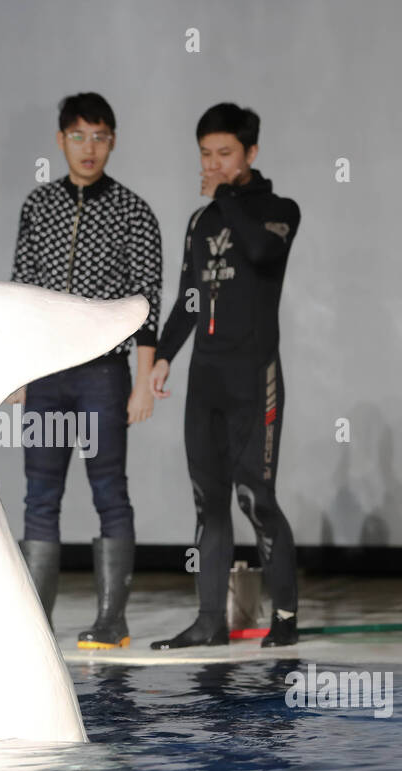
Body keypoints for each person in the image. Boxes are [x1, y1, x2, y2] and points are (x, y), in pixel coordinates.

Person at [9, 92, 163, 650]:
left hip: (103, 372)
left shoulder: (133, 210)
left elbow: (147, 302)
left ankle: (111, 621)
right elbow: (20, 290)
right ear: (60, 141)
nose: (89, 148)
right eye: (78, 136)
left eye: (100, 136)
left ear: (113, 141)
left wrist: (143, 379)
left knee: (108, 492)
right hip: (47, 374)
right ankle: (35, 624)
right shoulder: (39, 206)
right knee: (40, 495)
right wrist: (17, 371)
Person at [149, 103, 301, 649]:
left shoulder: (278, 210)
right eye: (206, 155)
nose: (213, 164)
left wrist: (226, 197)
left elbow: (260, 252)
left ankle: (284, 617)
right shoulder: (200, 221)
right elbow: (189, 298)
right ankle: (211, 620)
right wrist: (164, 354)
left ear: (251, 153)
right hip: (206, 381)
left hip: (253, 377)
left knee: (254, 497)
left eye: (225, 154)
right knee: (207, 498)